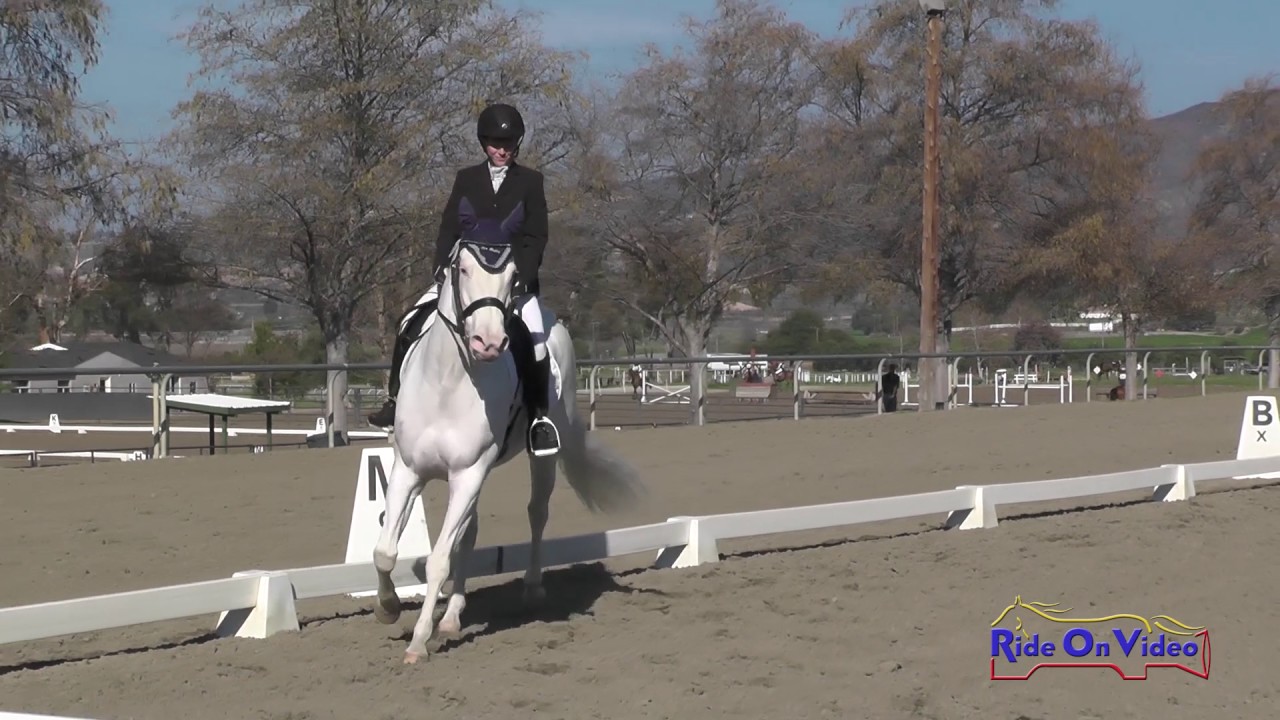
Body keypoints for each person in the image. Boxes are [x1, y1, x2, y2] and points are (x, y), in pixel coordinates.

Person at [366, 102, 560, 457]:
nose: (501, 150)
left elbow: (536, 236)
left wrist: (523, 277)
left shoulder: (531, 182)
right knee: (407, 323)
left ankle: (538, 420)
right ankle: (394, 401)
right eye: (494, 143)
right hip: (465, 283)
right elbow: (448, 227)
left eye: (508, 143)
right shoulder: (466, 179)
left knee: (536, 341)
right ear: (483, 142)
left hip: (510, 284)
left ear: (517, 144)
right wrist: (441, 265)